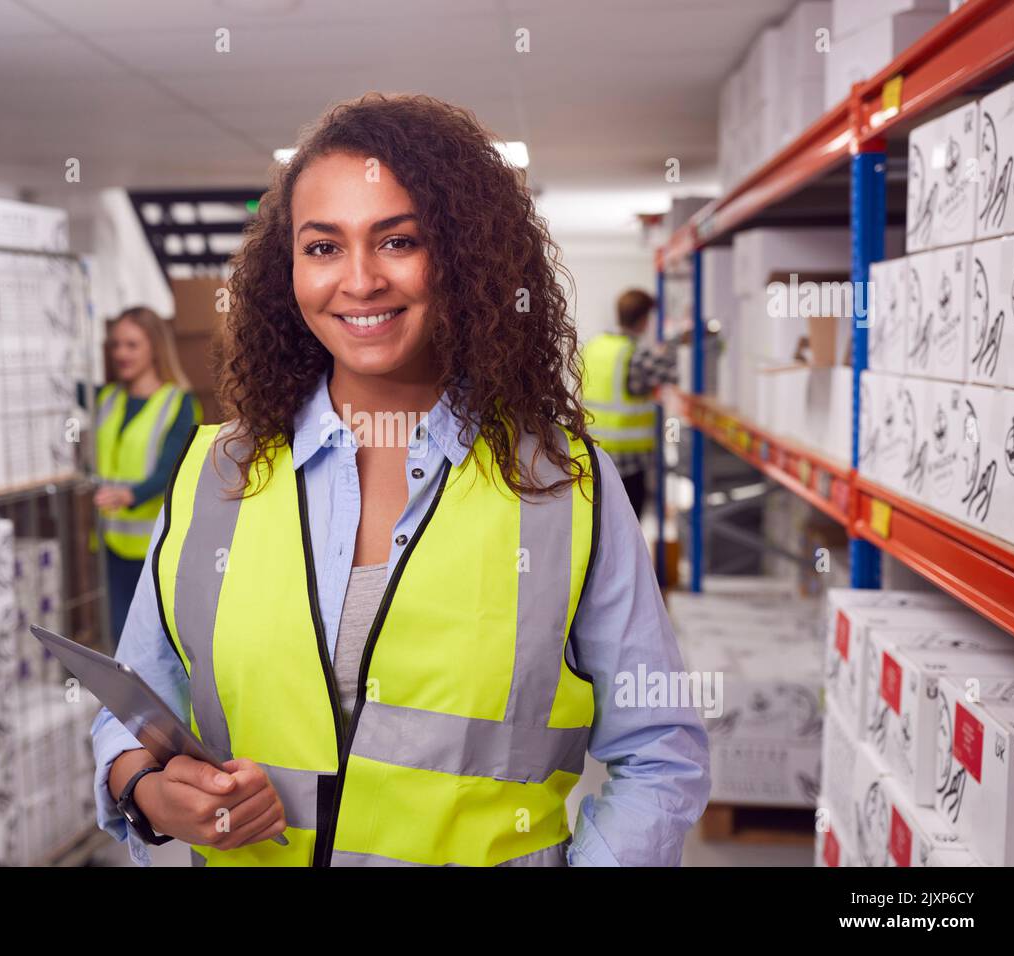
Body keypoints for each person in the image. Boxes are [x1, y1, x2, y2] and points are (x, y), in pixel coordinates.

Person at [92, 93, 709, 867]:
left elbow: (659, 754)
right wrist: (146, 789)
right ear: (288, 270)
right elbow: (132, 702)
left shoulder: (563, 487)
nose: (359, 280)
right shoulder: (215, 472)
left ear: (462, 258)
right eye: (323, 247)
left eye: (398, 241)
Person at [92, 306, 200, 645]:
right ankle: (125, 700)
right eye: (116, 345)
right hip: (110, 541)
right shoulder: (106, 398)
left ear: (154, 346)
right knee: (118, 635)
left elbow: (173, 466)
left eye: (132, 345)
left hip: (156, 546)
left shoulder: (177, 402)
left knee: (152, 643)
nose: (121, 353)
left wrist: (130, 495)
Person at [581, 289, 680, 518]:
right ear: (645, 319)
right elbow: (675, 373)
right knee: (626, 529)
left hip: (593, 453)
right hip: (628, 461)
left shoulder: (595, 346)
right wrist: (677, 344)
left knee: (600, 528)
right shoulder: (634, 354)